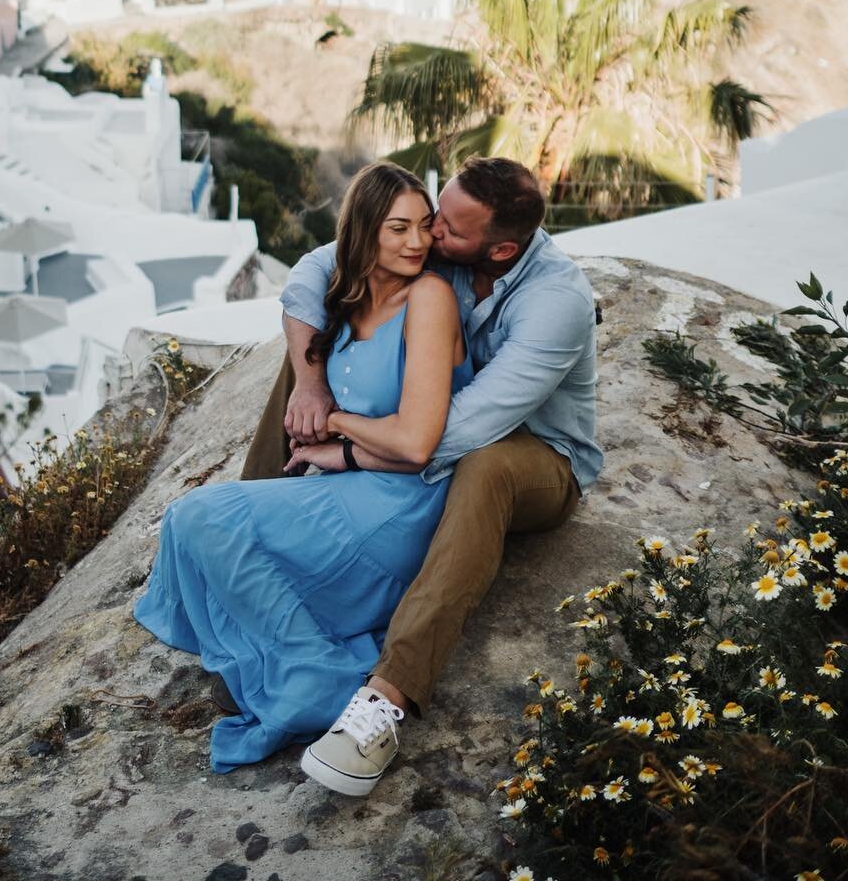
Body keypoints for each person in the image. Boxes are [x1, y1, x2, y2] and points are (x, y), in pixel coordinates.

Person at [248, 155, 601, 796]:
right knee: (315, 346)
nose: (430, 232)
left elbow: (457, 432)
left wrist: (347, 442)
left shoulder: (557, 302)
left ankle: (385, 700)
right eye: (434, 212)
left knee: (484, 466)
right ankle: (260, 508)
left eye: (447, 230)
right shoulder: (442, 245)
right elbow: (314, 271)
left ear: (500, 249)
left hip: (536, 460)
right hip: (425, 431)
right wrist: (312, 384)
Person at [132, 162, 470, 774]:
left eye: (425, 226)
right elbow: (300, 294)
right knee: (189, 526)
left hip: (401, 503)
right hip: (359, 482)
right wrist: (316, 401)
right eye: (398, 228)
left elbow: (419, 443)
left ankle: (317, 677)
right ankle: (304, 652)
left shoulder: (430, 295)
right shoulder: (344, 292)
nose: (418, 242)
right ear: (362, 234)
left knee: (199, 519)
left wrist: (335, 432)